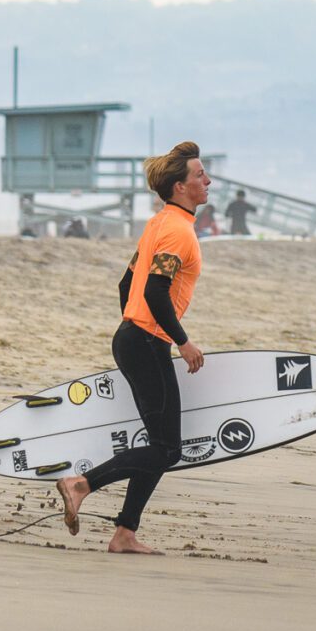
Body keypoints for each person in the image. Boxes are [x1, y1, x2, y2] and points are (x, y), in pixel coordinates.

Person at [54, 143, 214, 554]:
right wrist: (182, 340)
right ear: (180, 186)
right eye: (199, 175)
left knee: (160, 445)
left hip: (136, 337)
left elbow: (127, 285)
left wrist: (136, 324)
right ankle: (80, 485)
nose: (207, 181)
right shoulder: (177, 231)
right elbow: (155, 291)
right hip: (145, 341)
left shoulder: (159, 224)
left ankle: (125, 532)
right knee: (165, 448)